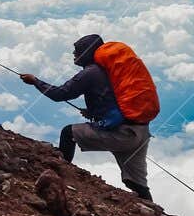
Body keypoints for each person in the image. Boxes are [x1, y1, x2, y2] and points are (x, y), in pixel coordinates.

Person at [20, 33, 155, 202]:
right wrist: (94, 113)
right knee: (137, 183)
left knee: (68, 133)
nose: (74, 55)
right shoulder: (109, 71)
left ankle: (60, 174)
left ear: (87, 52)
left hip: (121, 133)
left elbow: (60, 94)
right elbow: (114, 99)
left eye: (78, 51)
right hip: (139, 130)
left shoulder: (91, 73)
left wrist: (35, 81)